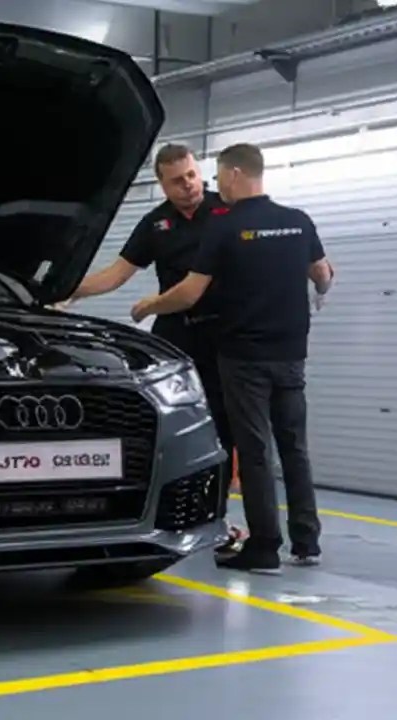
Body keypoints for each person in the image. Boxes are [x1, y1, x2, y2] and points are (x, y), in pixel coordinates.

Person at [130, 143, 333, 575]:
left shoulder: (224, 226)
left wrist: (149, 305)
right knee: (295, 446)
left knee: (255, 451)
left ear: (236, 174)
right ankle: (307, 541)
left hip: (242, 357)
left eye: (218, 177)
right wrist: (317, 293)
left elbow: (189, 293)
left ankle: (263, 546)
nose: (212, 186)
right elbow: (324, 275)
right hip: (291, 354)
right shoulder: (298, 222)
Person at [62, 143, 243, 554]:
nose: (189, 186)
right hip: (178, 336)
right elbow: (116, 274)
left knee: (228, 429)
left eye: (193, 175)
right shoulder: (155, 224)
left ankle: (219, 517)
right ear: (161, 184)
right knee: (178, 423)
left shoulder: (227, 209)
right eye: (177, 181)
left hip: (227, 334)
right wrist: (67, 291)